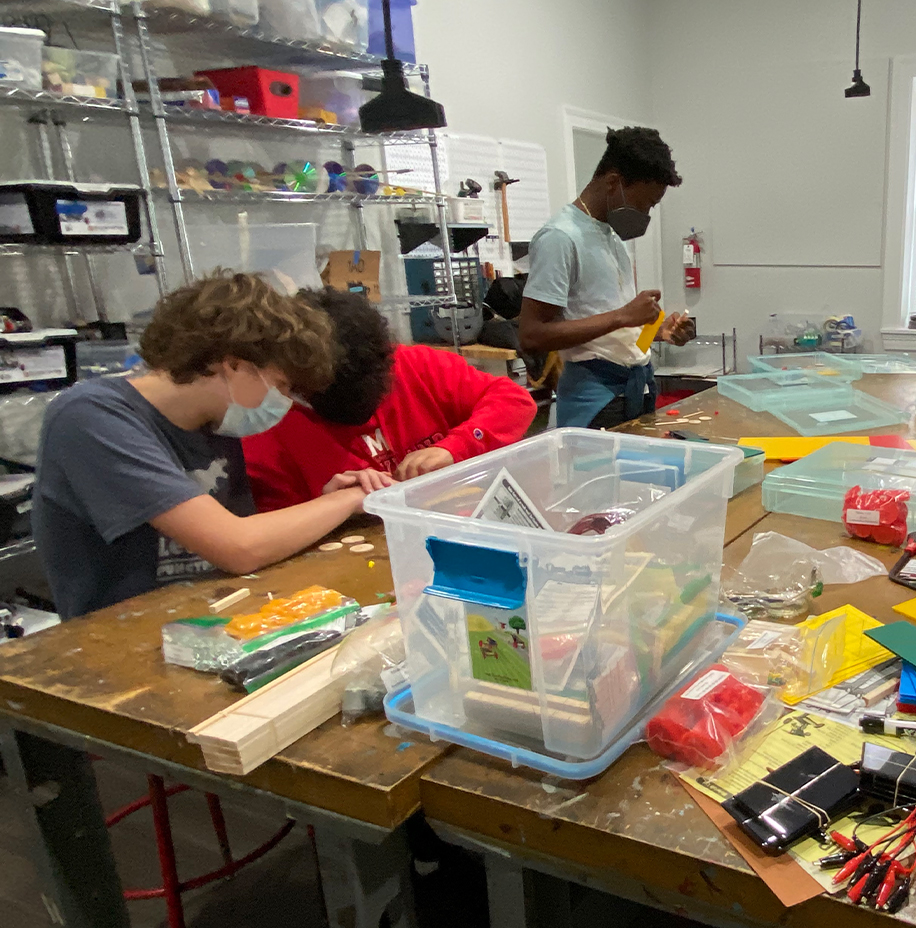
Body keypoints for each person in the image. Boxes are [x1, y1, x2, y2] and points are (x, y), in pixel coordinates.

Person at [34, 273, 381, 620]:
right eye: (282, 385)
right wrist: (345, 500)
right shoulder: (92, 417)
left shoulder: (214, 424)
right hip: (125, 640)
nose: (286, 403)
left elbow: (243, 538)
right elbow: (238, 547)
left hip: (211, 619)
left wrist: (328, 506)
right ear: (233, 364)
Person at [243, 287, 537, 511]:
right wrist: (327, 508)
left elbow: (514, 400)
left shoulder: (412, 365)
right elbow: (273, 532)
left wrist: (454, 447)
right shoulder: (271, 428)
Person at [518, 126, 697, 429]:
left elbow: (605, 321)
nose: (645, 214)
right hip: (596, 400)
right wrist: (623, 316)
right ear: (614, 182)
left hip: (634, 388)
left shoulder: (610, 236)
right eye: (645, 204)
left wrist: (657, 331)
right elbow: (532, 334)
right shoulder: (560, 237)